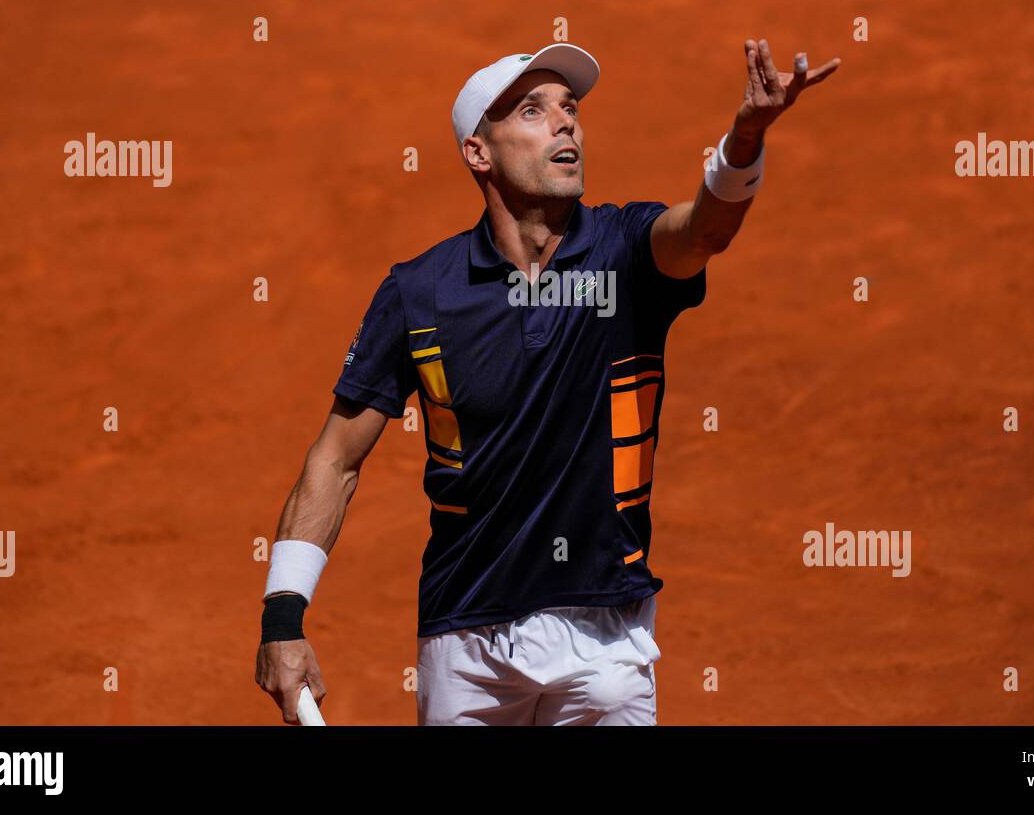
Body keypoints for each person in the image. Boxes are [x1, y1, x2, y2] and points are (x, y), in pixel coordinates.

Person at [255, 40, 839, 725]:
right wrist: (282, 617)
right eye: (533, 111)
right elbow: (336, 455)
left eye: (570, 108)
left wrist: (744, 140)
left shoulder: (626, 255)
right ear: (479, 153)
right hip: (466, 643)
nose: (565, 123)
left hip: (606, 642)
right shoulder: (421, 293)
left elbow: (706, 230)